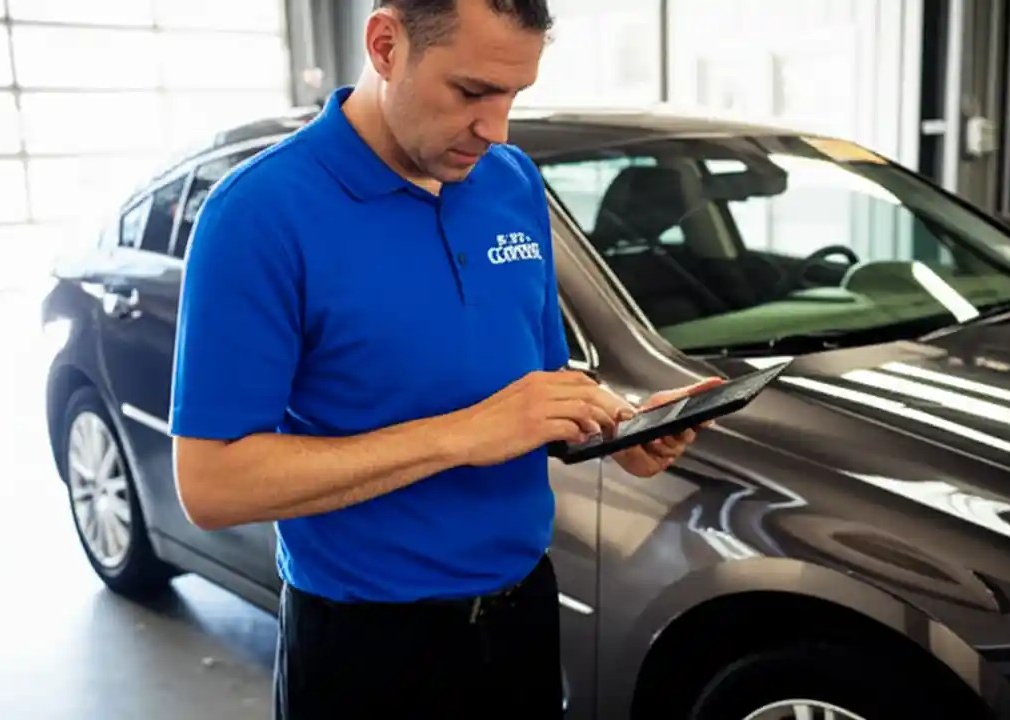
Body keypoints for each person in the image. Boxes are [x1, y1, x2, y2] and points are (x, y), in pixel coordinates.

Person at [168, 0, 721, 717]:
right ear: (386, 44)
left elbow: (536, 383)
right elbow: (213, 484)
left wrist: (613, 429)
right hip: (367, 648)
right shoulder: (258, 215)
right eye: (472, 92)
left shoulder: (511, 181)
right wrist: (463, 435)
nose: (495, 129)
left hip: (522, 614)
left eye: (514, 95)